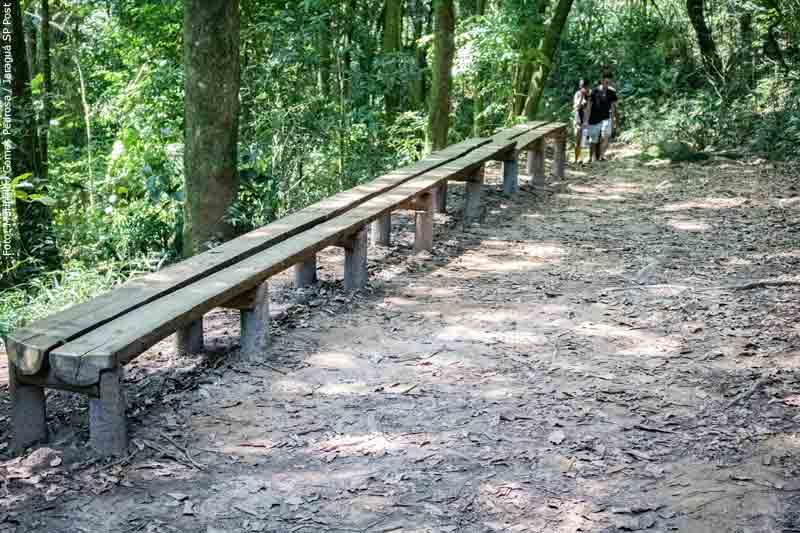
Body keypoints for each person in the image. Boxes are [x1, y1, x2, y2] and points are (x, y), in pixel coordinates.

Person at [584, 74, 618, 162]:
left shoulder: (611, 92)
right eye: (606, 82)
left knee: (606, 135)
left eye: (609, 83)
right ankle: (591, 157)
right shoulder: (594, 92)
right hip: (594, 118)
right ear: (602, 81)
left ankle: (601, 156)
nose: (608, 84)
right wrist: (586, 120)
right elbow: (589, 106)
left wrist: (614, 120)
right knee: (593, 139)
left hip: (606, 118)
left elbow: (613, 107)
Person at [572, 79, 589, 164]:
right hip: (578, 120)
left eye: (584, 86)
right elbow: (577, 107)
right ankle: (576, 158)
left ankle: (582, 159)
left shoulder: (589, 95)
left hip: (586, 121)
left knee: (584, 141)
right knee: (577, 140)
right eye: (581, 86)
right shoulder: (578, 94)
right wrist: (582, 96)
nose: (582, 87)